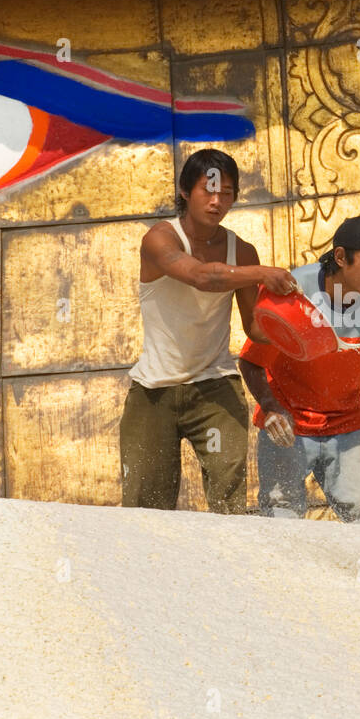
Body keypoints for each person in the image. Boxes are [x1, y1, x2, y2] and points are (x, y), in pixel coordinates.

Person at [120, 148, 296, 513]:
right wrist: (264, 273)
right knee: (146, 510)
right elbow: (203, 277)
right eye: (208, 190)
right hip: (154, 393)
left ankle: (231, 568)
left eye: (227, 192)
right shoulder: (159, 239)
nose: (217, 201)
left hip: (215, 388)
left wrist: (303, 328)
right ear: (185, 191)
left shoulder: (241, 251)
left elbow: (255, 328)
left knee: (229, 502)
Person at [238, 215, 360, 524]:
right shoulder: (294, 290)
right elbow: (250, 360)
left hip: (347, 426)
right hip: (287, 425)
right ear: (340, 257)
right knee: (280, 519)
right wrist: (271, 407)